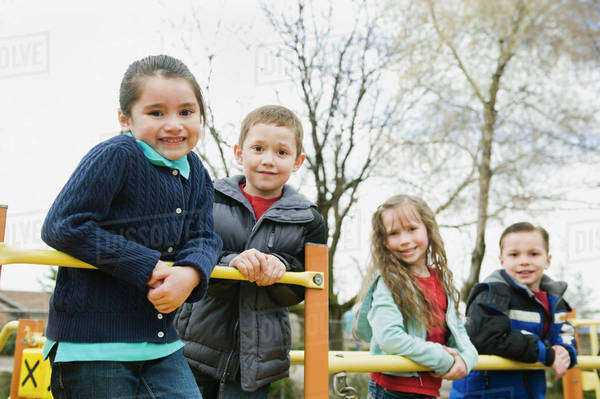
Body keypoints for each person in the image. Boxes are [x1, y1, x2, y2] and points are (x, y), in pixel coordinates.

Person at [40, 54, 222, 398]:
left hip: (161, 345)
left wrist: (191, 273)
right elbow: (63, 225)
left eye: (186, 112)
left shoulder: (195, 170)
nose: (174, 124)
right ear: (125, 118)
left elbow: (204, 236)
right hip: (93, 347)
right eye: (156, 113)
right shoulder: (117, 155)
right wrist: (146, 265)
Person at [175, 105, 327, 398]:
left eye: (281, 153)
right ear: (239, 153)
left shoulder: (309, 219)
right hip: (193, 345)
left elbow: (306, 286)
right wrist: (232, 262)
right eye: (258, 148)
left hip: (259, 358)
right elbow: (186, 250)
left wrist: (280, 267)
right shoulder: (207, 197)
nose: (268, 160)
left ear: (298, 161)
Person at [354, 194, 478, 399]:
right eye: (394, 233)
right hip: (391, 390)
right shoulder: (389, 281)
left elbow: (459, 333)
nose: (405, 241)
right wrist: (444, 359)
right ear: (384, 241)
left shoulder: (442, 281)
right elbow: (390, 338)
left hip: (428, 390)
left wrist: (466, 360)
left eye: (412, 229)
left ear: (428, 228)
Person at [449, 222, 577, 399]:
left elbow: (565, 331)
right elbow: (485, 338)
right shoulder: (492, 293)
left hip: (529, 391)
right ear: (502, 260)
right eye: (514, 255)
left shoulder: (555, 301)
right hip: (484, 392)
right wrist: (545, 353)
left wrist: (564, 351)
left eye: (533, 254)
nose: (524, 261)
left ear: (547, 260)